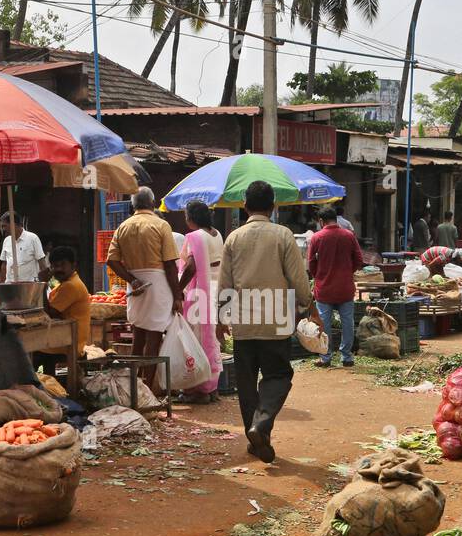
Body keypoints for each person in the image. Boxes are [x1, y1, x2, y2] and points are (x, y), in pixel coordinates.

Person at [217, 181, 316, 462]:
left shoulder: (233, 238)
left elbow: (224, 283)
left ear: (245, 206)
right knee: (278, 376)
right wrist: (307, 304)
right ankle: (260, 427)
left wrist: (219, 319)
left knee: (246, 383)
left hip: (243, 322)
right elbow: (298, 278)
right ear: (273, 207)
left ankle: (257, 435)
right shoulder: (283, 235)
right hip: (276, 322)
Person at [106, 187, 183, 391]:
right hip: (159, 283)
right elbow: (169, 265)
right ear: (152, 203)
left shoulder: (123, 226)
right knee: (154, 336)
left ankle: (134, 387)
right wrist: (177, 295)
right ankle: (147, 388)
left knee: (138, 334)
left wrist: (132, 279)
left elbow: (111, 260)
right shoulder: (161, 225)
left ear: (133, 205)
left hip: (136, 285)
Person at [176, 200, 225, 401]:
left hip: (199, 294)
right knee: (210, 338)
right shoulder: (217, 233)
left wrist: (177, 289)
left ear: (190, 218)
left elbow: (191, 267)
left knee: (195, 339)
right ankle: (211, 386)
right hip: (214, 289)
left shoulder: (196, 236)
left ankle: (198, 388)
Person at [307, 205, 363, 368]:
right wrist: (347, 271)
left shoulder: (317, 238)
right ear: (336, 219)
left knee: (324, 323)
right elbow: (359, 260)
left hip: (324, 288)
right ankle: (346, 357)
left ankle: (325, 357)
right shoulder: (349, 235)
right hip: (345, 287)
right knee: (347, 322)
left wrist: (319, 275)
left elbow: (311, 263)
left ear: (321, 221)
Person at [37, 245, 91, 379]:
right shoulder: (66, 283)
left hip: (70, 342)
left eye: (63, 265)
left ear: (73, 265)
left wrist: (43, 284)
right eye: (55, 266)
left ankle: (44, 388)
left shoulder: (71, 286)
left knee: (32, 352)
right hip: (66, 337)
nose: (58, 269)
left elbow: (50, 313)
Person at [0, 212, 46, 283]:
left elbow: (42, 263)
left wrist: (44, 284)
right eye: (2, 227)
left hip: (28, 287)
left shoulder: (32, 238)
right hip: (10, 286)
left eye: (4, 226)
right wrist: (1, 285)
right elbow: (4, 265)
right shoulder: (6, 240)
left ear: (13, 224)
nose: (3, 229)